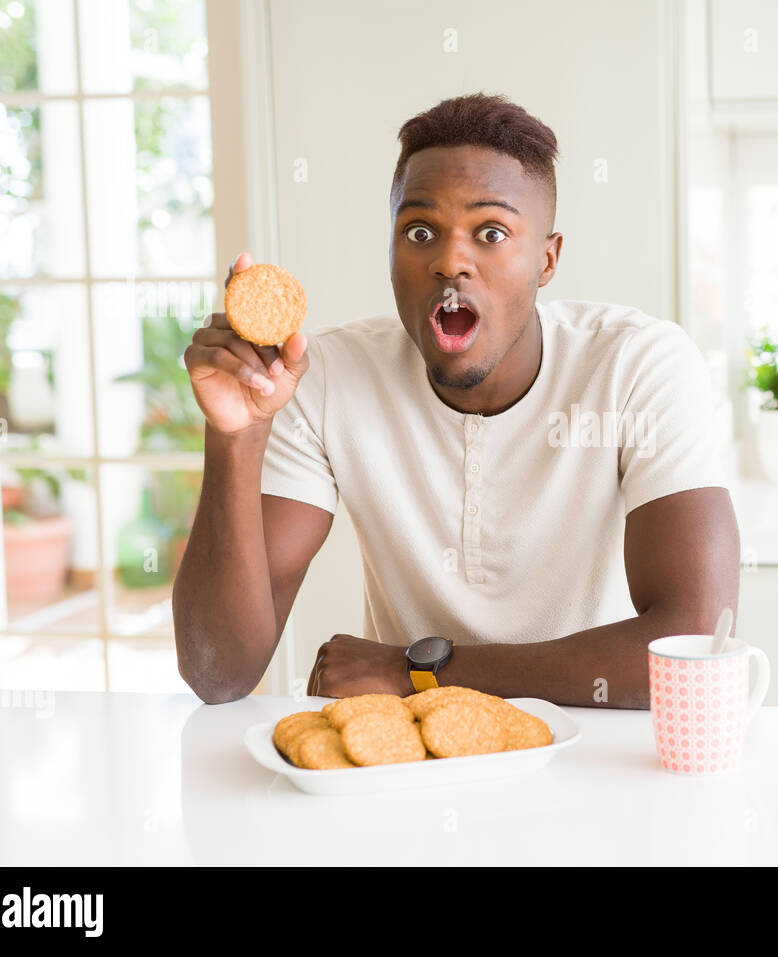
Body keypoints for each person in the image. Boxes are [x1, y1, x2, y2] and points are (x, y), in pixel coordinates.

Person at [174, 93, 739, 708]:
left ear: (546, 261)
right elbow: (219, 673)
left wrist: (420, 673)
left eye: (491, 232)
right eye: (420, 231)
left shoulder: (636, 365)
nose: (450, 263)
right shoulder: (320, 378)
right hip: (409, 767)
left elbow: (696, 649)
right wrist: (235, 435)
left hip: (592, 758)